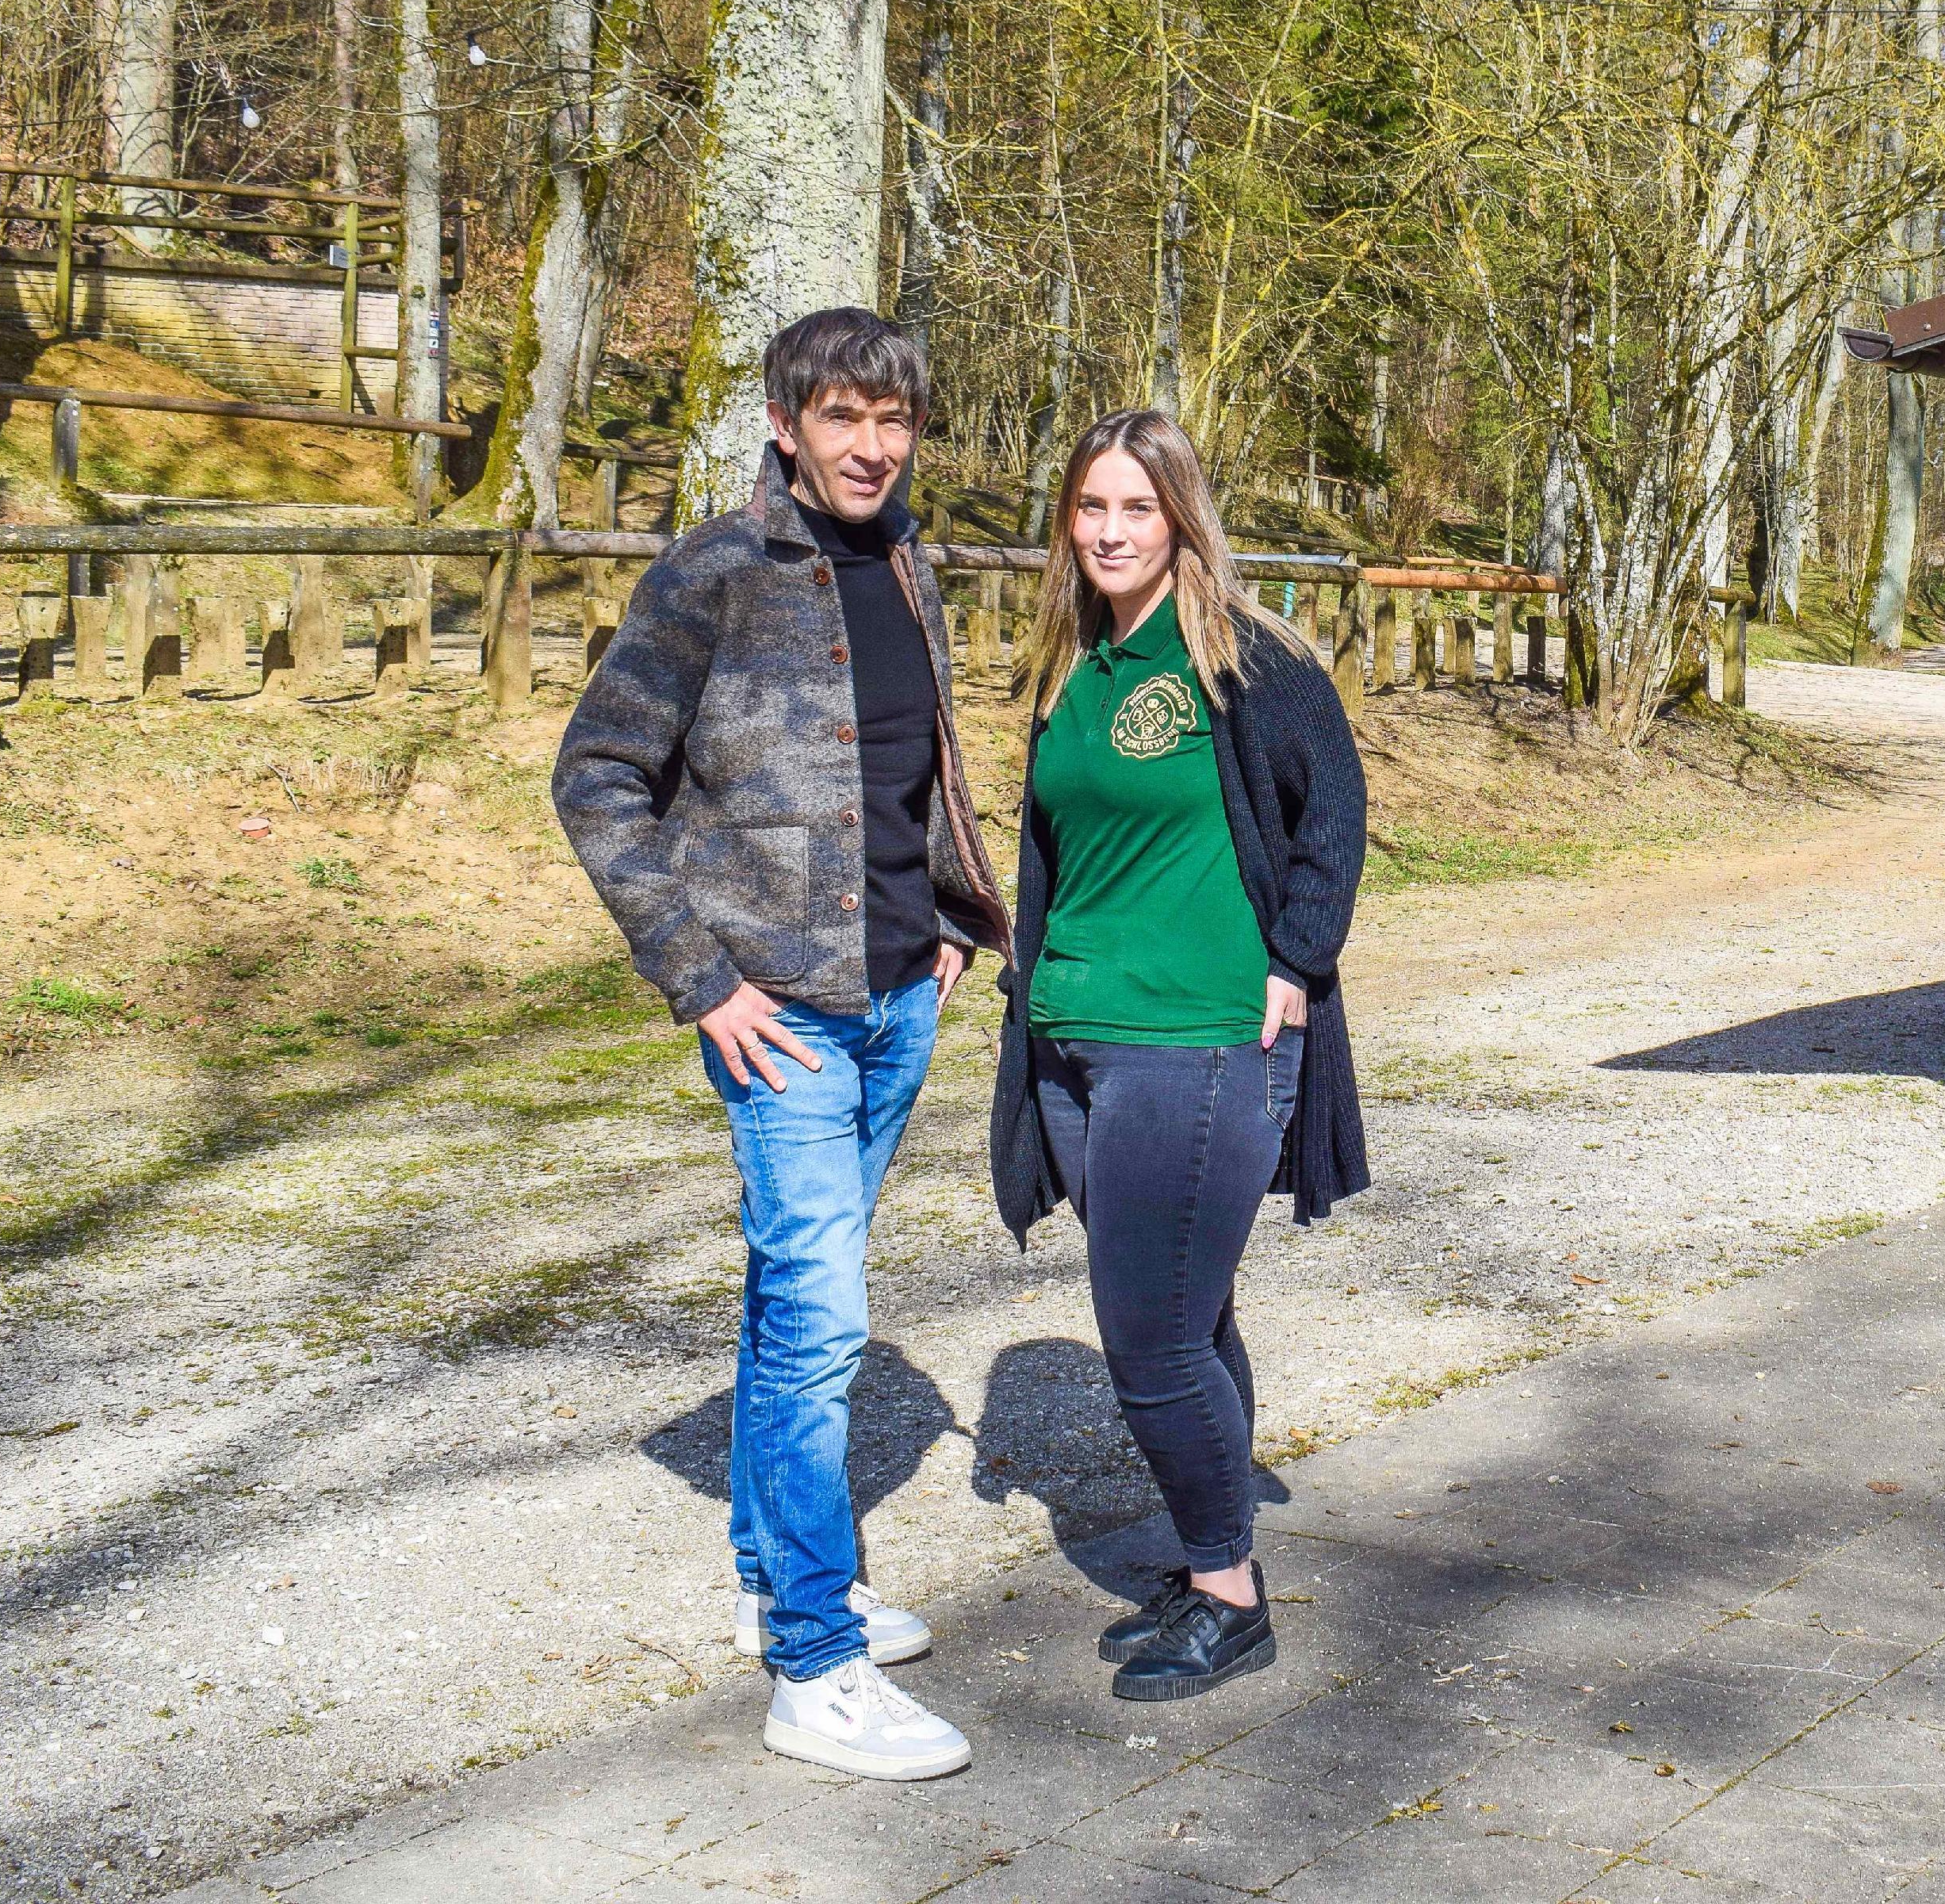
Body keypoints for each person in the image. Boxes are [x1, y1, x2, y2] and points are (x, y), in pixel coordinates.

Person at [553, 308, 1006, 1781]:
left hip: (898, 996)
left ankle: (773, 1576)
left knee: (787, 1296)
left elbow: (908, 765)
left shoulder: (909, 559)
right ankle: (816, 1664)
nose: (872, 446)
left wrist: (946, 911)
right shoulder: (718, 569)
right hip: (780, 1017)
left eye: (894, 421)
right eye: (844, 418)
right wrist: (700, 981)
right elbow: (601, 778)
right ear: (787, 421)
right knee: (821, 1325)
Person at [987, 409, 1369, 1703]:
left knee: (1145, 1339)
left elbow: (1336, 813)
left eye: (1135, 509)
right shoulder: (1070, 665)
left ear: (1180, 517)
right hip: (1075, 1045)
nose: (1108, 531)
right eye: (1089, 508)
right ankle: (1217, 1555)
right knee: (1190, 1318)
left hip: (1198, 1043)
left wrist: (1293, 962)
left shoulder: (1244, 659)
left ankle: (1229, 1596)